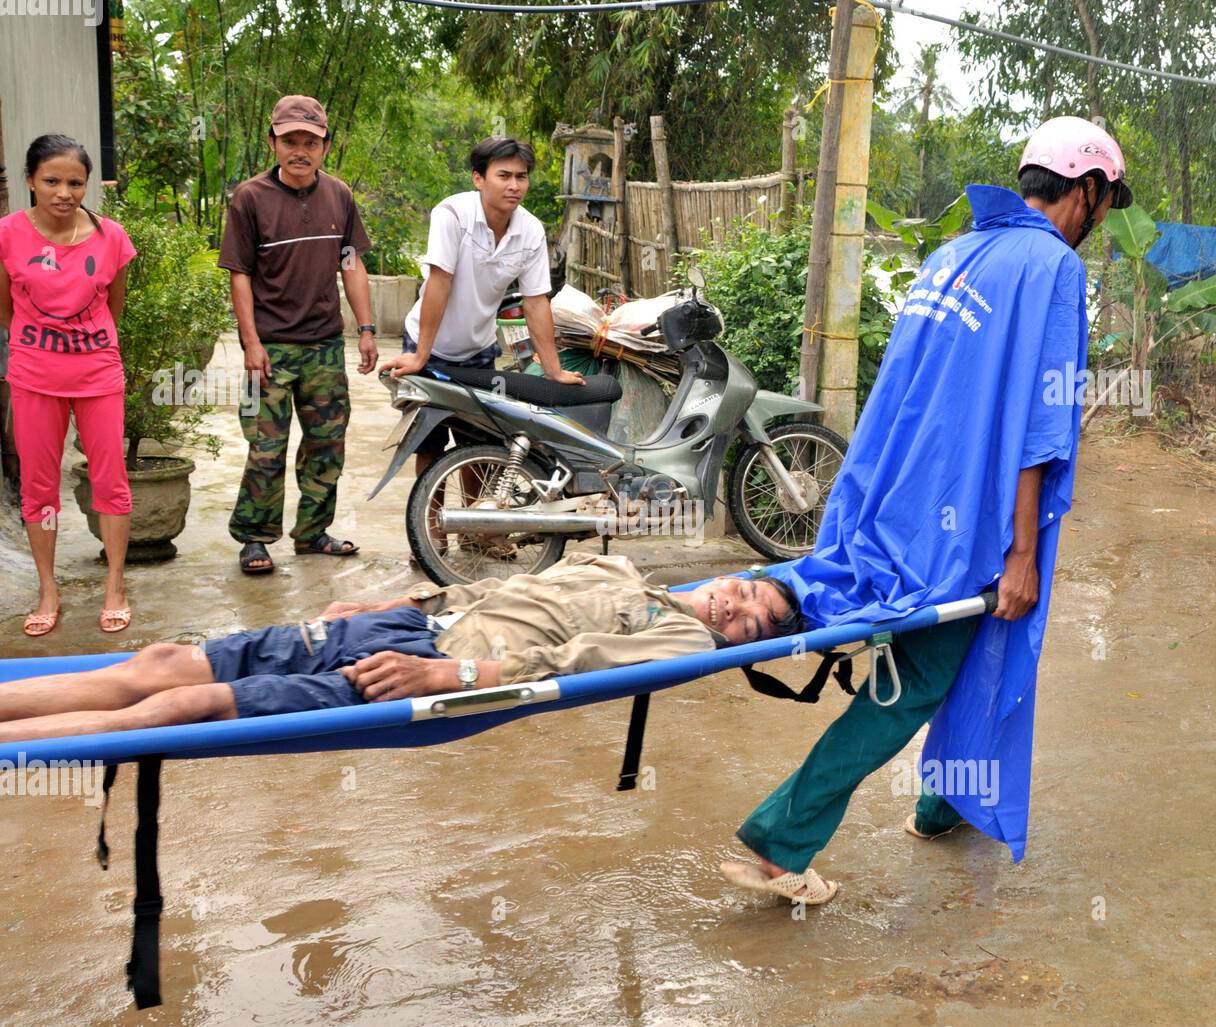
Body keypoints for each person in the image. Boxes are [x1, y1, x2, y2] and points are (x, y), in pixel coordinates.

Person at [721, 116, 1133, 906]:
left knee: (968, 652)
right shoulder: (1051, 267)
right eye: (1106, 200)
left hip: (899, 509)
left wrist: (859, 512)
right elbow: (1040, 427)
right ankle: (778, 839)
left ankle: (943, 806)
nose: (1103, 218)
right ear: (1084, 190)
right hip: (966, 529)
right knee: (916, 682)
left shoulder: (953, 256)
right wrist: (1019, 550)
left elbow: (903, 391)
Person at [0, 553, 801, 742]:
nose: (737, 610)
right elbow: (501, 586)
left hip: (425, 673)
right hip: (407, 627)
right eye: (749, 592)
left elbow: (574, 666)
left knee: (188, 704)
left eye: (755, 626)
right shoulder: (626, 565)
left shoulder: (682, 637)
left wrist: (446, 673)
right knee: (162, 661)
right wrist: (403, 599)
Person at [378, 137, 585, 554]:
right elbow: (439, 282)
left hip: (479, 349)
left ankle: (479, 530)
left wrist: (553, 369)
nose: (514, 185)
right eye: (503, 175)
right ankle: (431, 531)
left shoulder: (529, 230)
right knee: (431, 444)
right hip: (430, 344)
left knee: (480, 444)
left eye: (521, 177)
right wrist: (420, 354)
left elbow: (536, 300)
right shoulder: (452, 214)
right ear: (479, 178)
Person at [218, 95, 377, 575]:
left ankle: (312, 534)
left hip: (325, 347)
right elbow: (239, 273)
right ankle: (254, 539)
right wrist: (250, 342)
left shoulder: (340, 196)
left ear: (325, 145)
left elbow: (351, 264)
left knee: (327, 445)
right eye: (290, 141)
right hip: (269, 350)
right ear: (273, 143)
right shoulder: (250, 198)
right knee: (265, 448)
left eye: (310, 141)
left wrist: (366, 329)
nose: (300, 150)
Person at [0, 134, 138, 637]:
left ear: (87, 185)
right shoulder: (8, 234)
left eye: (75, 182)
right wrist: (39, 345)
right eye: (52, 180)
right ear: (31, 181)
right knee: (39, 485)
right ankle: (47, 588)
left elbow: (113, 305)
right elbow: (6, 306)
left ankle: (116, 585)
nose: (64, 191)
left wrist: (88, 348)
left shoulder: (111, 237)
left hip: (98, 372)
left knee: (110, 478)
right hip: (34, 375)